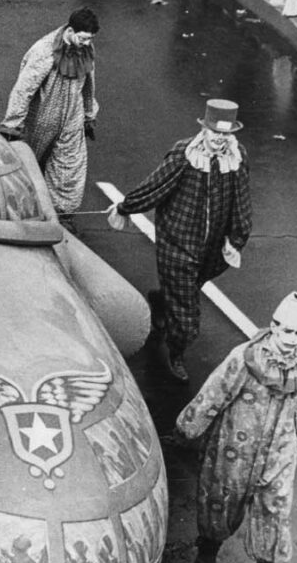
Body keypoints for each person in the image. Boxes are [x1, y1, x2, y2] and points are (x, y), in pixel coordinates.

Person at [173, 292, 297, 563]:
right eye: (288, 331)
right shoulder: (244, 357)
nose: (293, 339)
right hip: (236, 446)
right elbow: (215, 392)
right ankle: (208, 550)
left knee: (276, 508)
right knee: (222, 500)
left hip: (279, 449)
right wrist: (188, 427)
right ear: (274, 326)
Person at [107, 98, 252, 382]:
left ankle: (161, 301)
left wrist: (237, 237)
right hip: (178, 243)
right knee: (187, 319)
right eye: (215, 132)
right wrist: (127, 206)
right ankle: (176, 351)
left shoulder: (237, 156)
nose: (220, 139)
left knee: (186, 290)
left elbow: (242, 199)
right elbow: (156, 185)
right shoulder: (184, 154)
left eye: (225, 134)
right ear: (204, 128)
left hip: (212, 248)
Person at [0, 7, 100, 225]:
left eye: (90, 39)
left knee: (69, 168)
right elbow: (24, 89)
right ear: (70, 31)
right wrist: (13, 124)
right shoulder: (44, 51)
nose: (86, 43)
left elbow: (89, 83)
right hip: (42, 117)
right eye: (83, 38)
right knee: (27, 164)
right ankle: (18, 211)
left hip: (72, 117)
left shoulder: (86, 49)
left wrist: (89, 114)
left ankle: (62, 216)